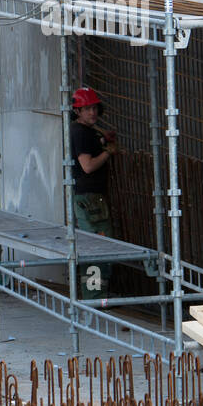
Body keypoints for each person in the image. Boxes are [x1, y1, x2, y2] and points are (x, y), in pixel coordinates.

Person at [69, 86, 117, 298]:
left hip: (91, 198)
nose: (92, 112)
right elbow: (87, 166)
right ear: (77, 111)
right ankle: (95, 300)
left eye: (94, 107)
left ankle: (96, 297)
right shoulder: (80, 133)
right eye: (86, 108)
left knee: (98, 248)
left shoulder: (85, 131)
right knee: (97, 249)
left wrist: (102, 140)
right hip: (90, 200)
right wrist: (107, 152)